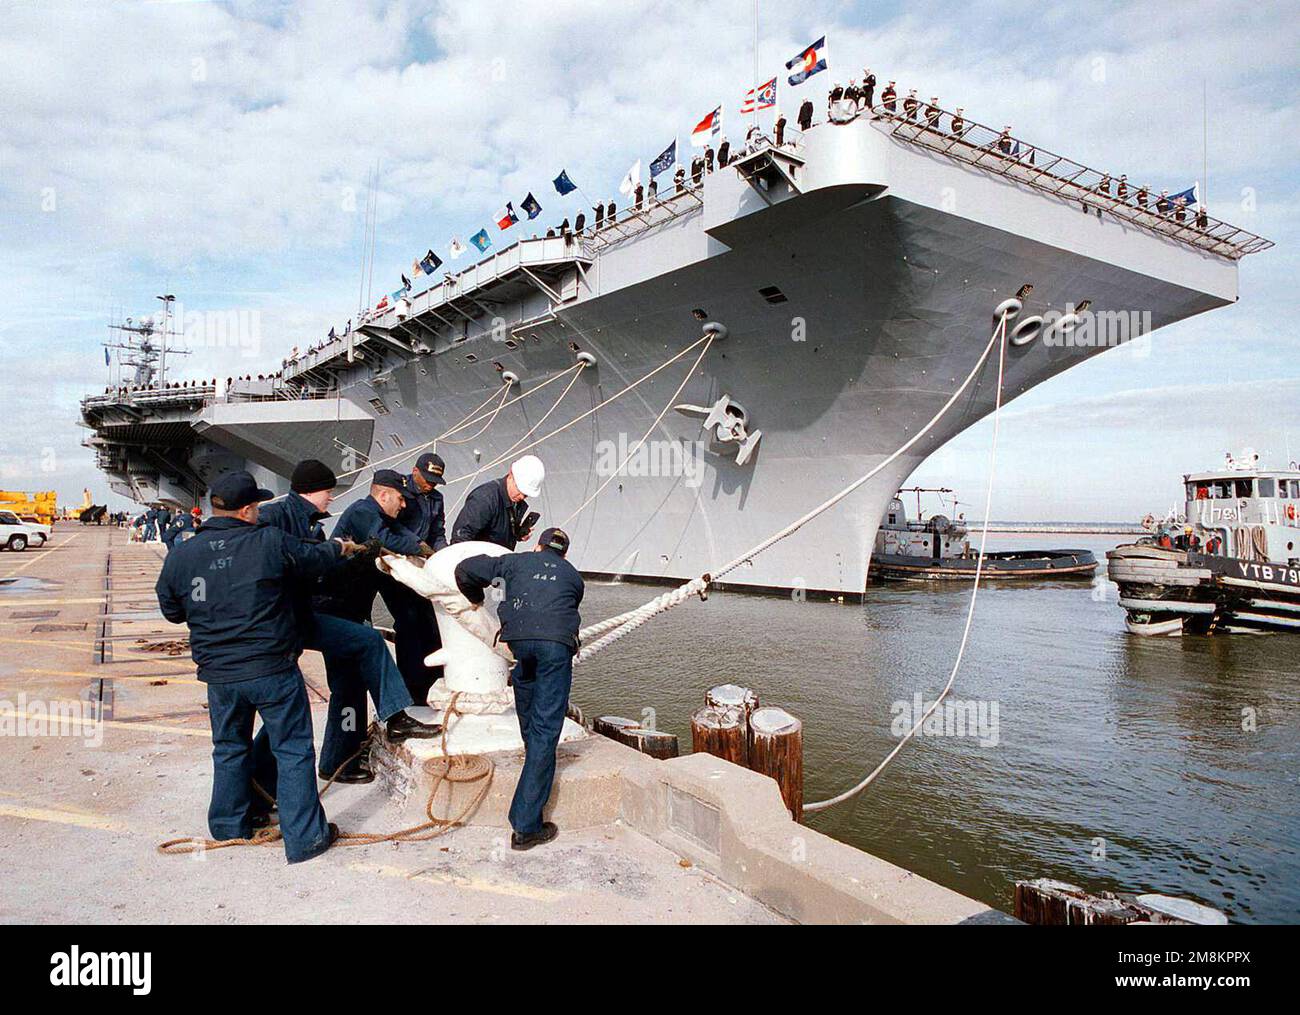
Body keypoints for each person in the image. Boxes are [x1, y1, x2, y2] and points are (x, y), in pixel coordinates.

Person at [155, 471, 358, 863]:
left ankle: (229, 826)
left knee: (228, 747)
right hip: (272, 670)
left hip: (220, 675)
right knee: (294, 750)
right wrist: (342, 548)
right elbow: (315, 559)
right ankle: (305, 840)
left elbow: (172, 610)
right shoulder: (269, 541)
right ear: (248, 509)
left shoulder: (183, 553)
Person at [259, 460, 438, 788]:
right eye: (400, 498)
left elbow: (400, 534)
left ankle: (337, 761)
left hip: (343, 611)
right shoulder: (361, 512)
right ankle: (393, 720)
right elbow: (385, 537)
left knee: (350, 689)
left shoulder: (356, 517)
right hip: (327, 611)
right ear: (383, 495)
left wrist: (428, 550)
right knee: (350, 674)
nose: (404, 503)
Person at [454, 527, 583, 851]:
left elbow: (464, 569)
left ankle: (532, 755)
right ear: (564, 554)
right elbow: (562, 607)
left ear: (538, 547)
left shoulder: (514, 561)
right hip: (555, 649)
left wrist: (475, 598)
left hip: (519, 645)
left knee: (527, 690)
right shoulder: (573, 576)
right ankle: (526, 827)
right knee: (546, 730)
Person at [393, 453, 450, 703]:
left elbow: (438, 531)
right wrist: (416, 545)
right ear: (414, 471)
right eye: (427, 479)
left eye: (435, 481)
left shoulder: (436, 499)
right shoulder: (400, 493)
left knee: (430, 623)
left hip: (424, 564)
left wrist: (443, 555)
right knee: (408, 623)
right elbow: (392, 527)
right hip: (398, 563)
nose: (430, 485)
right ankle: (410, 686)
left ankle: (431, 678)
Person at [451, 455, 544, 550]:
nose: (521, 497)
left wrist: (517, 534)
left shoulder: (515, 502)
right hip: (479, 558)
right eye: (519, 490)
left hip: (499, 559)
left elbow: (500, 528)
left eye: (526, 495)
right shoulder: (485, 498)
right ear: (511, 474)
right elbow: (461, 536)